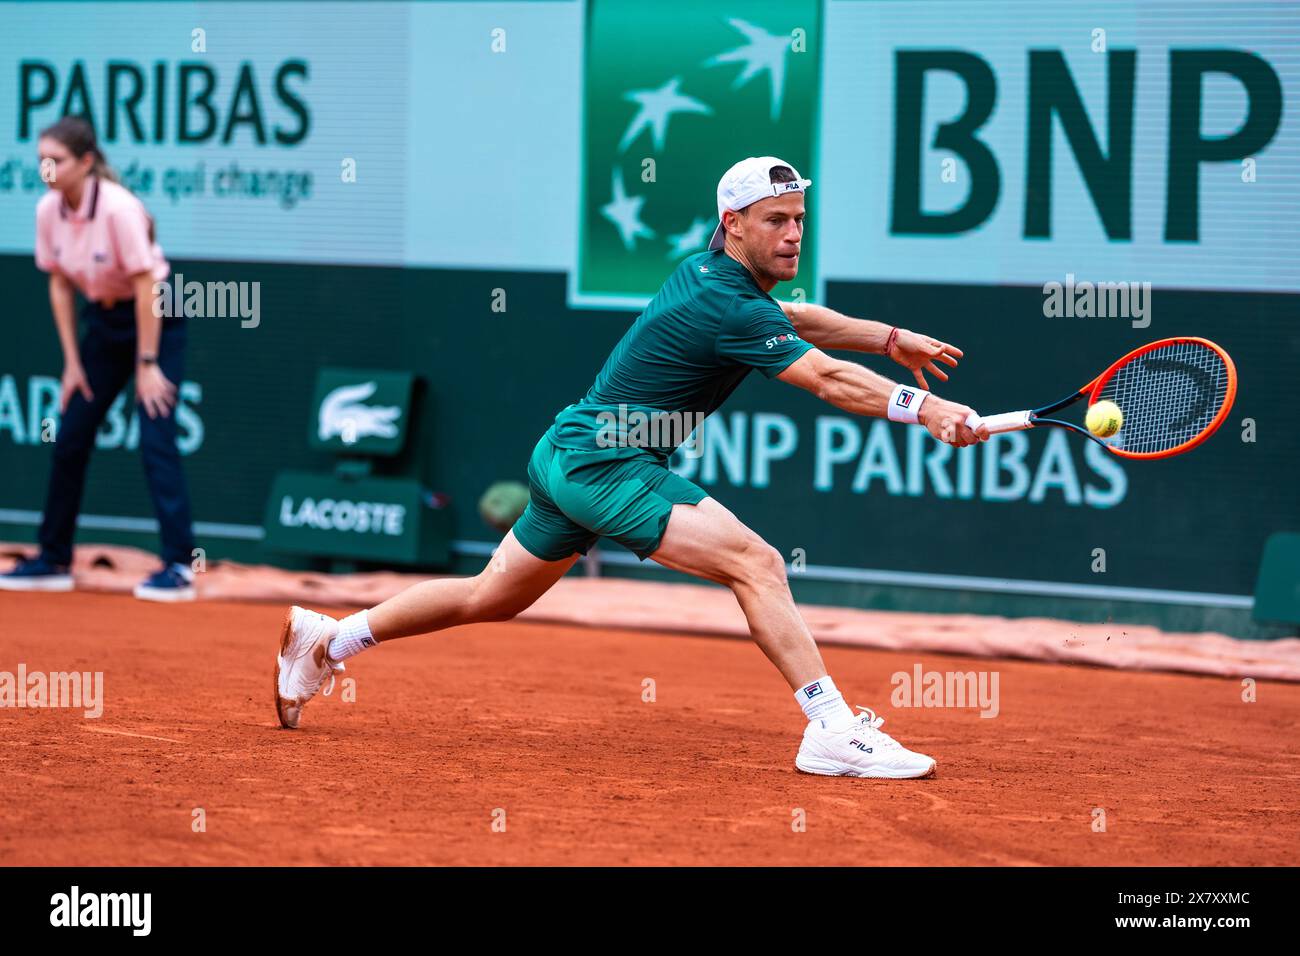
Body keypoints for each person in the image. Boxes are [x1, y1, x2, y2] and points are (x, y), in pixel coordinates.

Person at [275, 156, 989, 778]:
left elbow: (803, 320)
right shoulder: (729, 304)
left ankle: (328, 641)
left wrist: (889, 337)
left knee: (488, 595)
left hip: (566, 451)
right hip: (605, 464)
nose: (794, 233)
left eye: (800, 218)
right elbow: (827, 377)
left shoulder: (711, 274)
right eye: (776, 219)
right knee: (759, 563)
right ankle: (831, 728)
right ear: (733, 222)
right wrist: (921, 410)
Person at [0, 117, 198, 601]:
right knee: (70, 436)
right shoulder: (48, 210)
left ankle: (179, 565)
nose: (47, 168)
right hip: (103, 326)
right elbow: (60, 283)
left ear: (86, 162)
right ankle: (53, 558)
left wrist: (147, 363)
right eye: (41, 158)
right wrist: (71, 361)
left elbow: (148, 284)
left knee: (155, 436)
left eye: (58, 159)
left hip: (154, 318)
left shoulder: (119, 209)